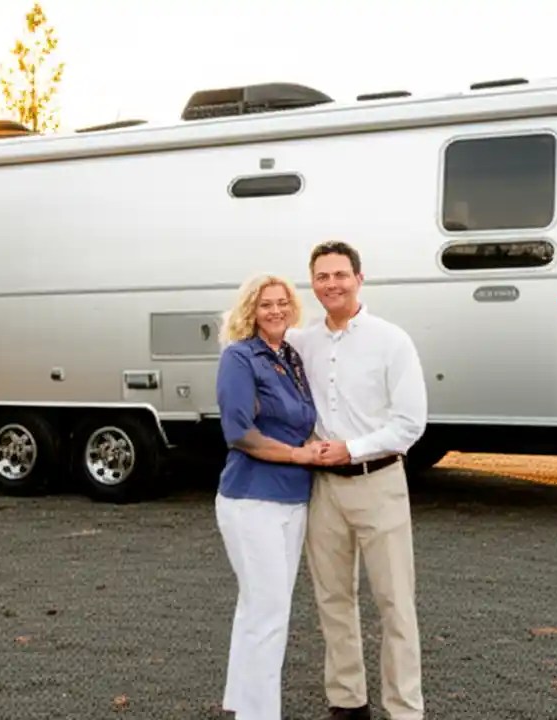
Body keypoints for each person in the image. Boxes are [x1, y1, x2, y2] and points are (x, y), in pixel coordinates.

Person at [287, 241, 429, 720]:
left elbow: (410, 424)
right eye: (322, 276)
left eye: (340, 275)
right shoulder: (302, 342)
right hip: (324, 488)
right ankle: (347, 701)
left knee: (395, 603)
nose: (332, 284)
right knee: (332, 599)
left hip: (379, 482)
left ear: (359, 279)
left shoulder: (392, 341)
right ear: (314, 283)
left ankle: (404, 709)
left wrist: (353, 447)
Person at [214, 272, 324, 720]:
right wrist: (299, 456)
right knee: (270, 612)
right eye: (264, 304)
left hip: (292, 500)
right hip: (251, 499)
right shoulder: (240, 358)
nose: (275, 310)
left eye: (282, 302)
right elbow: (240, 433)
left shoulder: (292, 358)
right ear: (249, 312)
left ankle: (243, 704)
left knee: (258, 607)